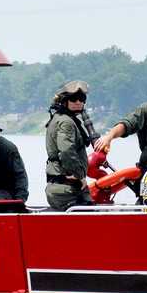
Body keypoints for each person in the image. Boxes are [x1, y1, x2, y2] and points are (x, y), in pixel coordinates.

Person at [45, 81, 93, 211]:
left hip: (64, 186)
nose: (78, 102)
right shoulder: (66, 123)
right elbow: (66, 151)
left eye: (82, 98)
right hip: (67, 188)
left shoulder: (60, 118)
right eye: (73, 99)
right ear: (64, 101)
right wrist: (79, 176)